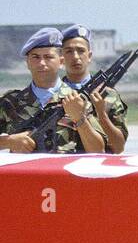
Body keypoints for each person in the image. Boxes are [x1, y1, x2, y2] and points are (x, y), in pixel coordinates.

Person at [1, 28, 105, 154]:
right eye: (35, 57)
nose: (42, 63)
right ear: (28, 62)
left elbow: (99, 150)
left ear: (61, 62)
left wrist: (80, 119)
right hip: (23, 173)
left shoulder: (77, 99)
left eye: (48, 57)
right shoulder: (10, 102)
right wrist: (9, 141)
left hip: (63, 173)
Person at [62, 24, 128, 153]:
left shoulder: (108, 95)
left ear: (89, 56)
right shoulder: (53, 93)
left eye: (81, 51)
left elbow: (119, 147)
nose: (76, 57)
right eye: (69, 51)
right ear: (61, 57)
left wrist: (102, 114)